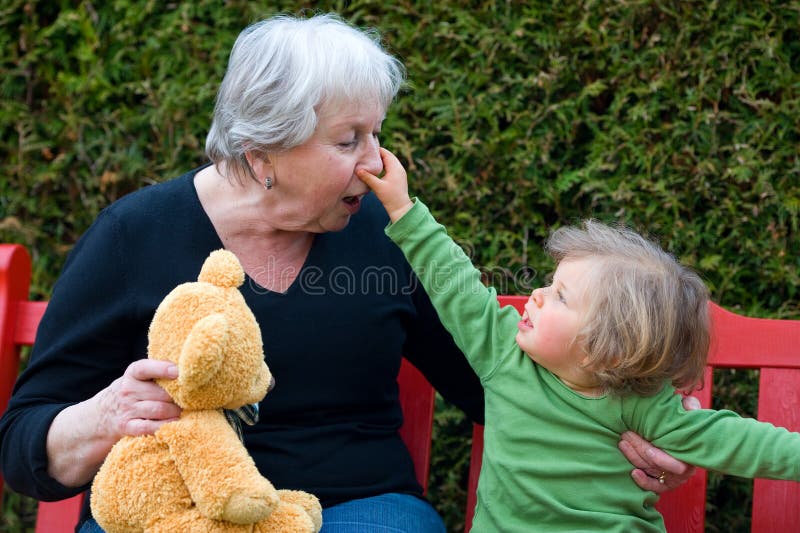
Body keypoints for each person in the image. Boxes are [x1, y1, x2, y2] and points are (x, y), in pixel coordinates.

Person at [0, 13, 695, 533]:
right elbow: (23, 446)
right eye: (348, 139)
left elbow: (496, 379)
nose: (376, 162)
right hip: (180, 507)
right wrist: (100, 416)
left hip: (359, 508)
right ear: (262, 147)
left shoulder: (383, 237)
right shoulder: (133, 236)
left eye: (376, 133)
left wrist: (633, 420)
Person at [357, 147, 800, 532]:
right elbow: (454, 280)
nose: (537, 295)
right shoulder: (501, 350)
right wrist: (401, 207)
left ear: (606, 345)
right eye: (550, 284)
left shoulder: (643, 404)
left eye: (560, 296)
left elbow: (747, 444)